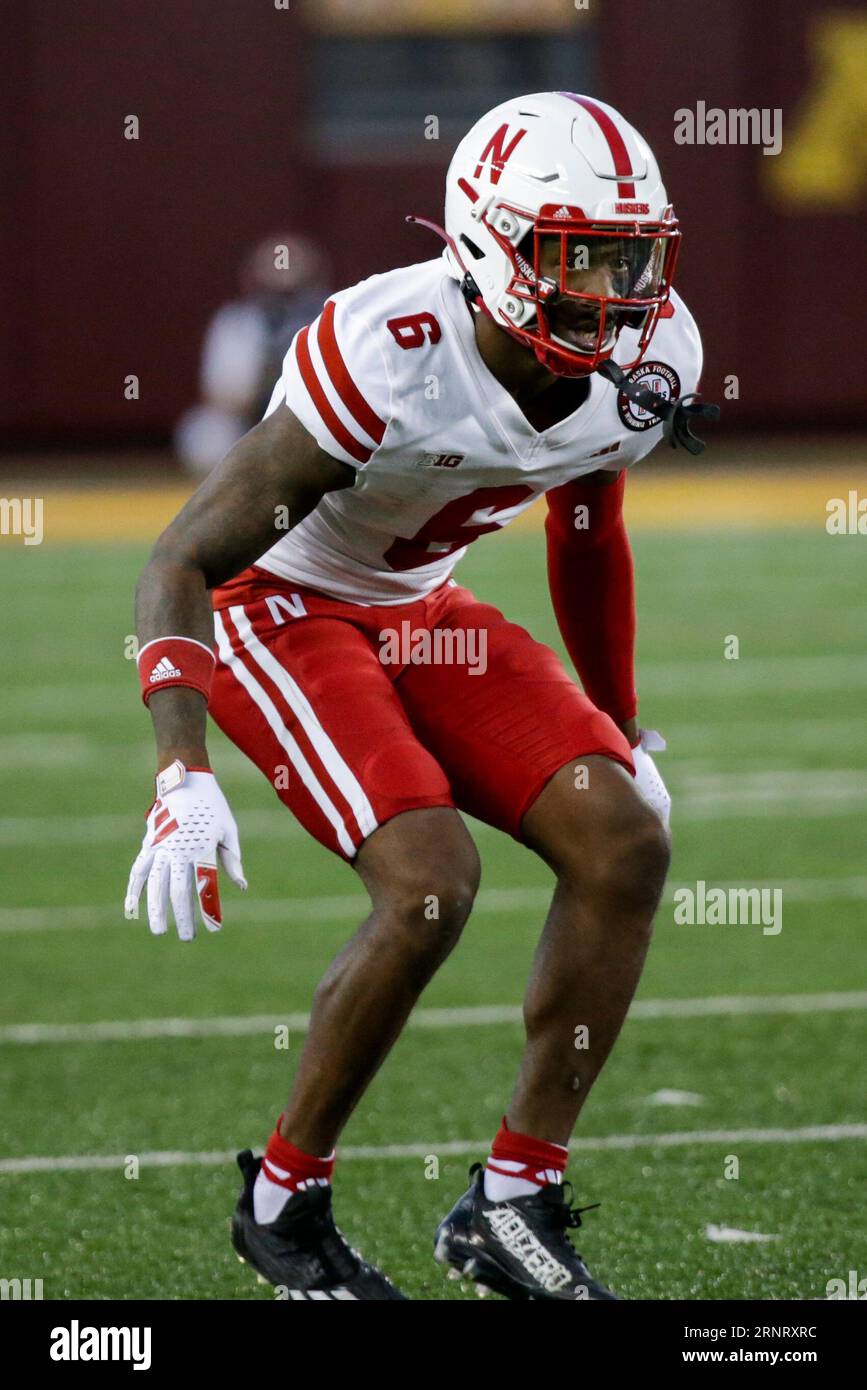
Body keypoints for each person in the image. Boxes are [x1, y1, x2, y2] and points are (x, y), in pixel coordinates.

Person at [125, 92, 716, 1301]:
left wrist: (624, 725)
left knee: (624, 842)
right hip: (279, 608)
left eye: (630, 251)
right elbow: (184, 556)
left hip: (421, 608)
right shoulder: (385, 346)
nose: (615, 286)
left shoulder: (652, 351)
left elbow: (589, 531)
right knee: (432, 885)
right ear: (493, 246)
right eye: (577, 254)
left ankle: (514, 1199)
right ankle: (284, 1203)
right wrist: (179, 771)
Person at [174, 233, 330, 476]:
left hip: (315, 423)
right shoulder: (237, 321)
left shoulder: (332, 321)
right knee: (207, 434)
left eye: (292, 294)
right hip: (251, 421)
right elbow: (224, 393)